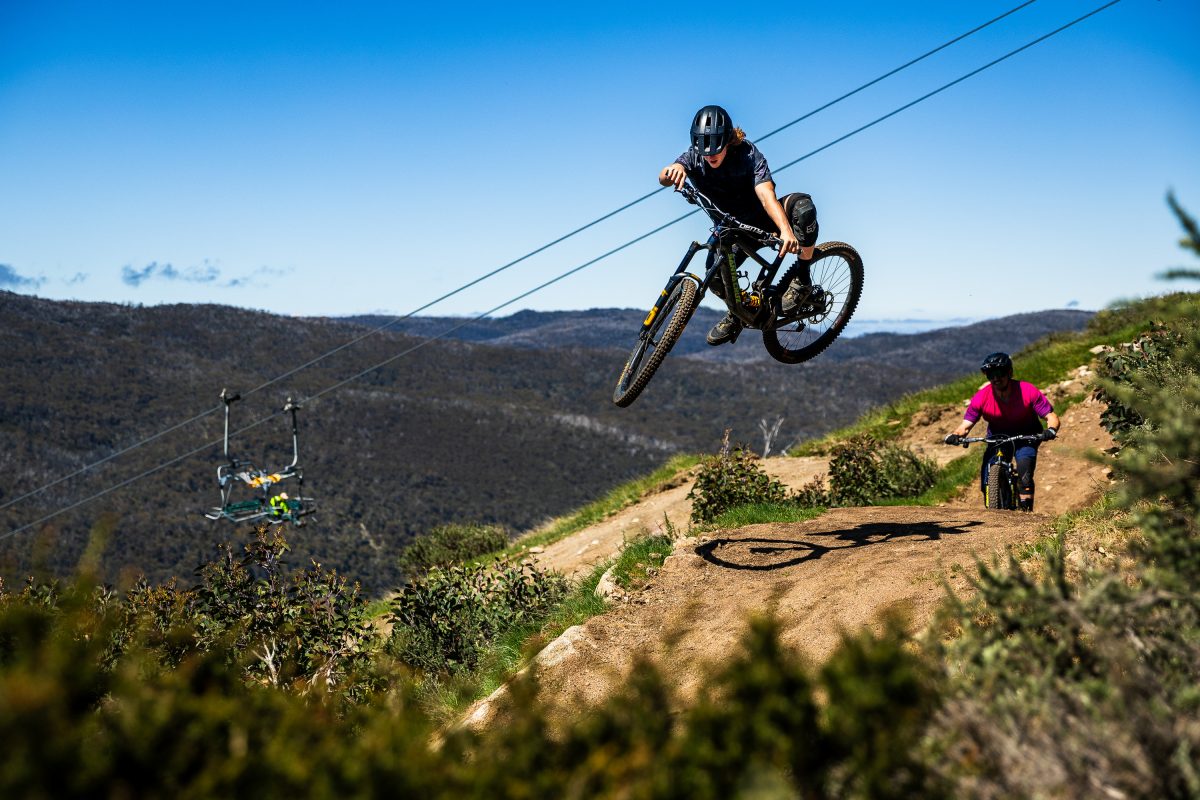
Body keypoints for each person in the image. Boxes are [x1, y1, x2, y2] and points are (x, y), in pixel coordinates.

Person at [659, 104, 820, 346]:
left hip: (765, 220)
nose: (710, 155)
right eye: (704, 148)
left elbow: (766, 195)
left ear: (727, 140)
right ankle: (738, 313)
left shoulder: (748, 154)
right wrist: (672, 170)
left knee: (803, 209)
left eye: (716, 146)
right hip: (733, 231)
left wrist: (786, 231)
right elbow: (665, 176)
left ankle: (803, 281)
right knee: (714, 276)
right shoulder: (693, 158)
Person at [944, 352, 1061, 511]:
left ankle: (1026, 513)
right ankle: (996, 503)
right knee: (986, 479)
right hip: (998, 438)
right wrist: (956, 435)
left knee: (1024, 473)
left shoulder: (1027, 391)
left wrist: (1051, 430)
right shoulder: (981, 397)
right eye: (990, 375)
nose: (995, 378)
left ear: (1009, 373)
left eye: (999, 373)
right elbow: (965, 425)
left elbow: (1051, 416)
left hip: (1026, 436)